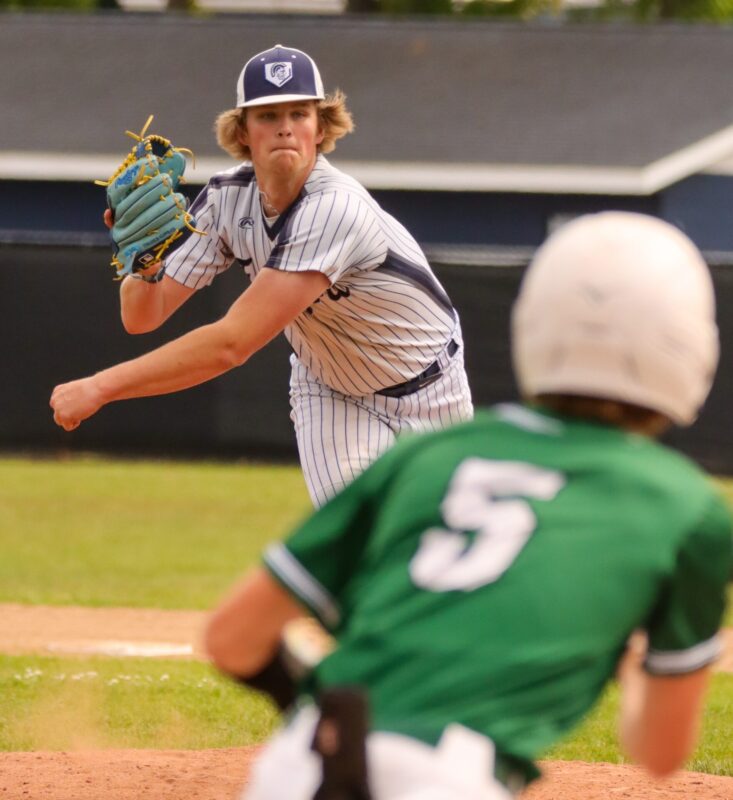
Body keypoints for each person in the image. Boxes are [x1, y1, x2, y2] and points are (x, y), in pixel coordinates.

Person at [204, 211, 732, 800]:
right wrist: (631, 667)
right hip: (452, 780)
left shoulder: (429, 455)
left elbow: (232, 637)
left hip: (300, 766)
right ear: (692, 346)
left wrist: (324, 701)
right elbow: (659, 752)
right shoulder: (690, 511)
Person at [49, 44, 473, 507]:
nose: (285, 126)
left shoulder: (336, 208)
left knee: (445, 553)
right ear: (243, 132)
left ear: (321, 127)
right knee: (349, 539)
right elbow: (141, 317)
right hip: (331, 389)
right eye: (268, 115)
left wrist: (100, 387)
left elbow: (232, 344)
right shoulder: (228, 199)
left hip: (432, 390)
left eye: (299, 113)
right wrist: (145, 267)